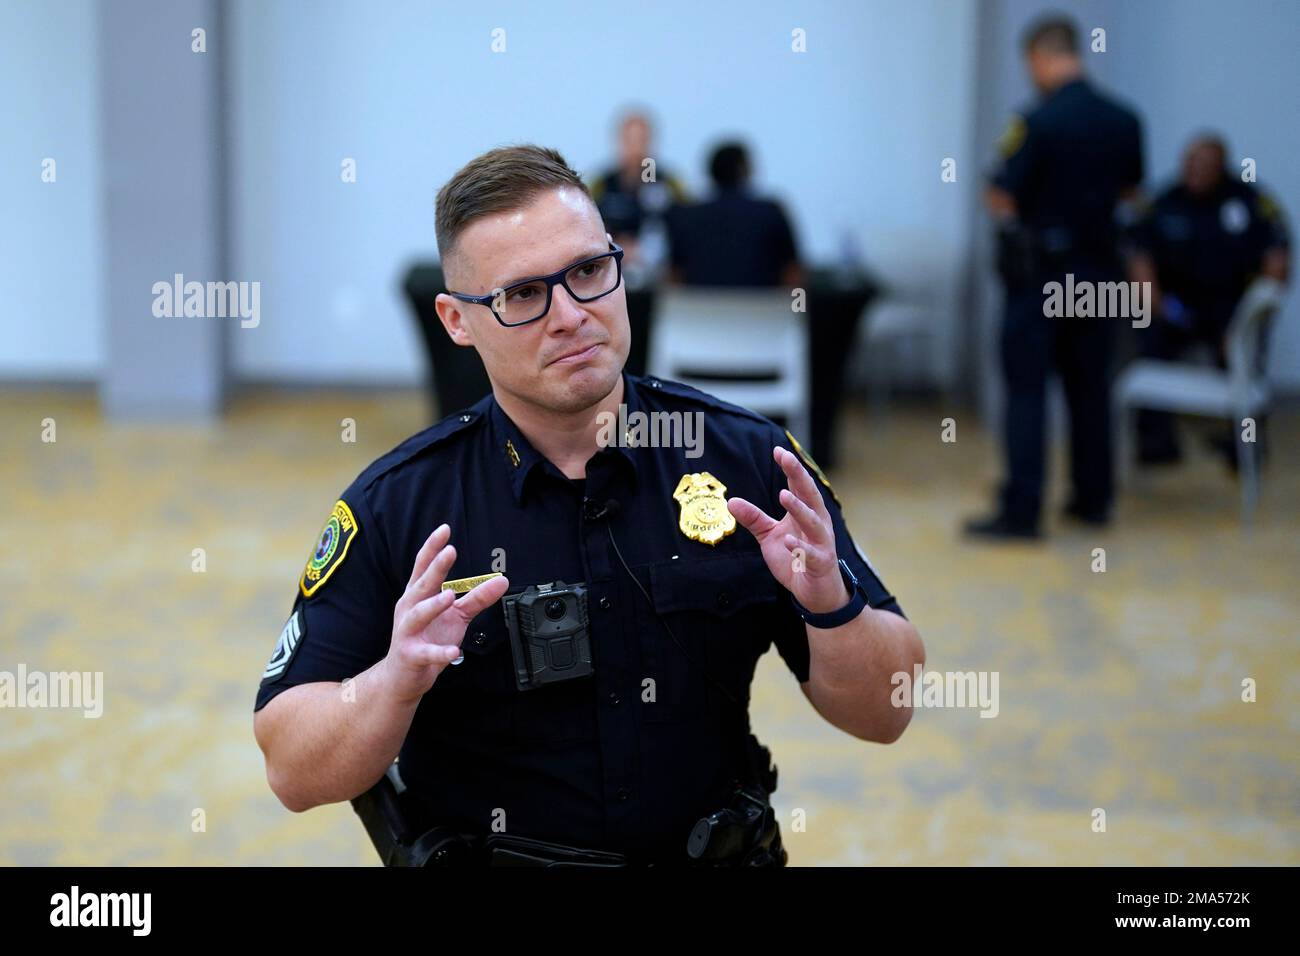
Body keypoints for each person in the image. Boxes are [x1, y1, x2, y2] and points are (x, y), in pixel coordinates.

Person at [252, 144, 924, 866]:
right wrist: (394, 682)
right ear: (456, 320)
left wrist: (832, 607)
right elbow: (291, 768)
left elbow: (889, 711)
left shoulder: (749, 463)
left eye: (588, 272)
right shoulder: (402, 507)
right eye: (522, 295)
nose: (571, 315)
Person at [965, 15, 1144, 540]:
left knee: (1027, 391)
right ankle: (1093, 500)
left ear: (1039, 57)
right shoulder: (1124, 119)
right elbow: (1131, 194)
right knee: (1091, 386)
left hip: (1041, 278)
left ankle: (1022, 511)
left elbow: (1001, 194)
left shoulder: (1036, 122)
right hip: (1099, 276)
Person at [1127, 134, 1291, 464]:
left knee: (1246, 359)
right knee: (1149, 340)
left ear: (1221, 167)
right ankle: (1155, 443)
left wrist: (1250, 318)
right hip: (1177, 308)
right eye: (1190, 164)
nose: (1195, 172)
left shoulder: (1250, 201)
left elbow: (1277, 262)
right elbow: (1139, 253)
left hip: (1233, 310)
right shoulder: (1165, 201)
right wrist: (1150, 297)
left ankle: (1245, 444)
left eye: (1204, 165)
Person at [666, 141, 803, 288]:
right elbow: (793, 273)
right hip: (760, 302)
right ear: (745, 170)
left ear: (711, 172)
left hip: (699, 302)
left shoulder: (685, 215)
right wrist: (797, 303)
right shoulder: (771, 212)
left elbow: (674, 276)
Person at [589, 109, 688, 280]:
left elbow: (686, 231)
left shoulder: (669, 183)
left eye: (641, 140)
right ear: (620, 141)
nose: (636, 148)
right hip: (612, 272)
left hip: (661, 276)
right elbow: (587, 229)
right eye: (630, 140)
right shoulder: (601, 184)